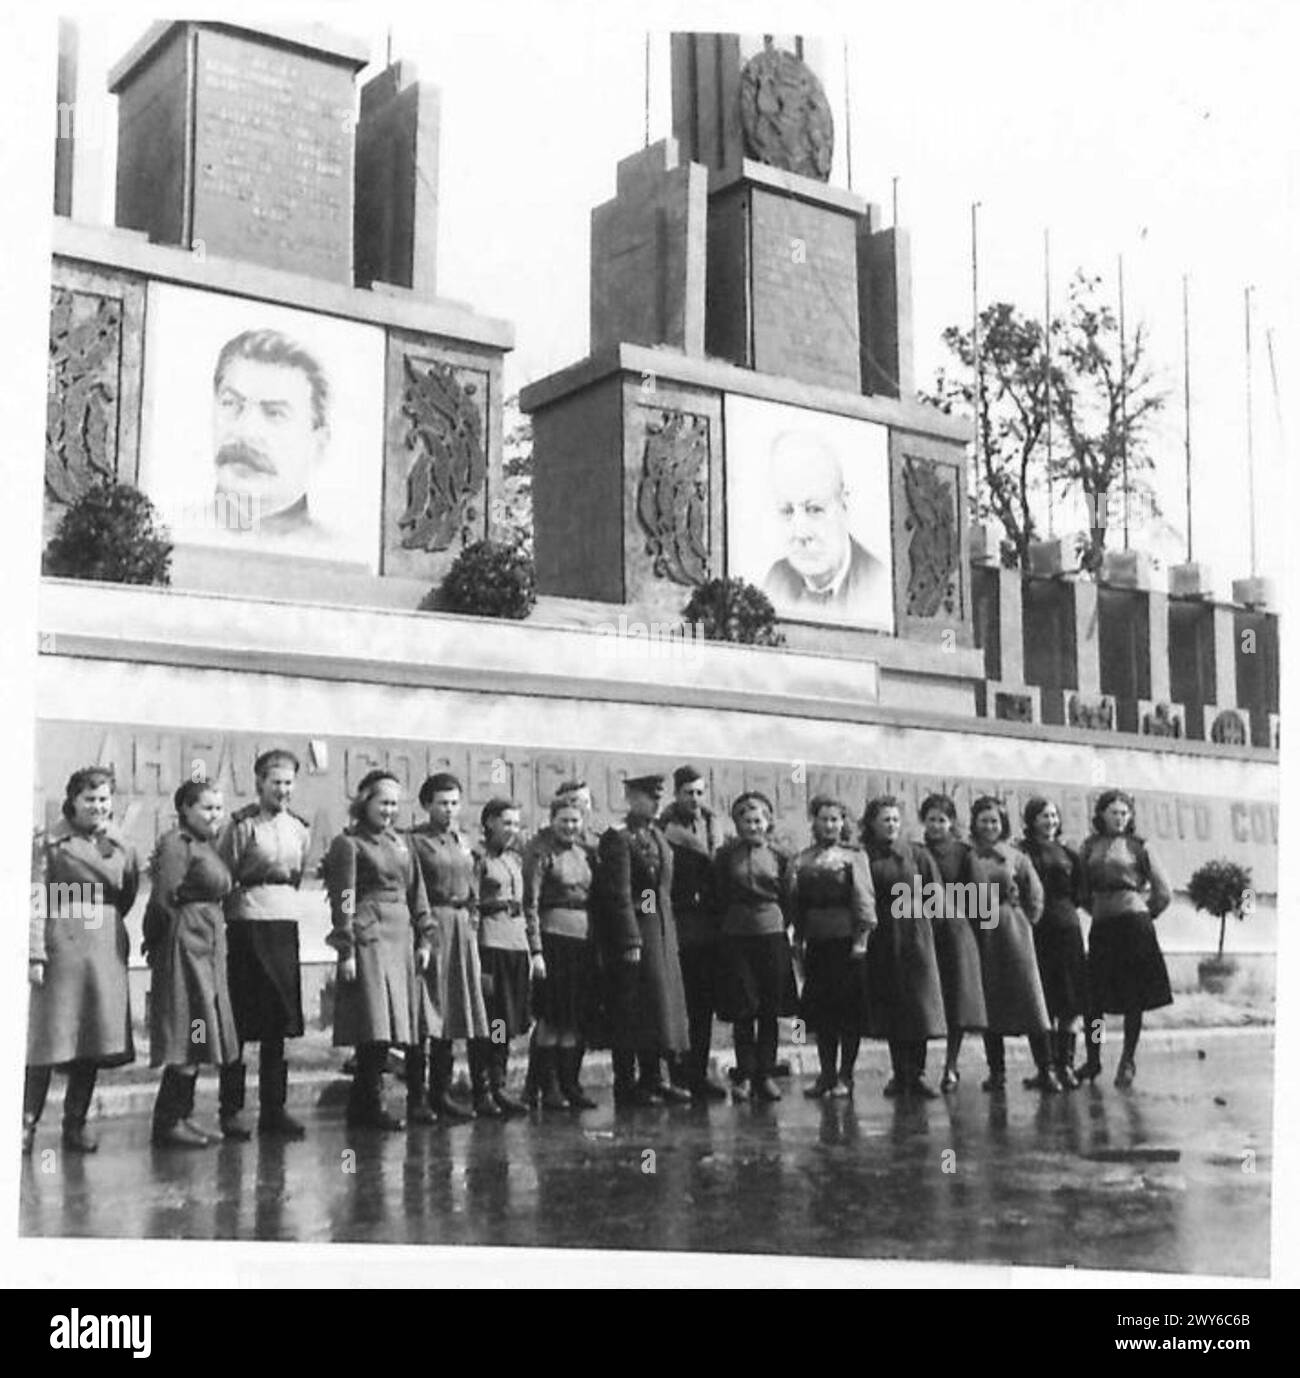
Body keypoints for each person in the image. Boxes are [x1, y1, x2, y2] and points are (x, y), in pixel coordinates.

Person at [24, 767, 141, 1156]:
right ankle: (25, 1123)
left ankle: (76, 1124)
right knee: (47, 1039)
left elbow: (126, 894)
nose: (98, 806)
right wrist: (34, 953)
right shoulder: (50, 844)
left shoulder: (120, 844)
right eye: (89, 799)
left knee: (93, 1037)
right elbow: (36, 899)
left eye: (104, 798)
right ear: (71, 801)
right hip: (63, 947)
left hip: (104, 948)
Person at [324, 770, 434, 1130]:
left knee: (397, 1024)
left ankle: (372, 1105)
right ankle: (368, 1104)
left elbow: (417, 891)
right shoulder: (349, 844)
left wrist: (425, 936)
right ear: (364, 802)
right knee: (374, 1024)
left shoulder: (402, 843)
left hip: (401, 935)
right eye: (382, 802)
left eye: (393, 804)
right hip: (369, 934)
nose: (389, 811)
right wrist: (347, 949)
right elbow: (344, 898)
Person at [216, 748, 310, 1141]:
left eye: (289, 782)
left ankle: (274, 1109)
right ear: (259, 784)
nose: (283, 790)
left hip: (283, 921)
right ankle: (231, 1109)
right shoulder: (241, 826)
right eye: (276, 783)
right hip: (248, 922)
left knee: (278, 1023)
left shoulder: (299, 828)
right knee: (240, 1019)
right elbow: (225, 873)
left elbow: (299, 873)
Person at [144, 779, 242, 1148]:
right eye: (206, 808)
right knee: (189, 1028)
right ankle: (167, 1120)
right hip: (184, 944)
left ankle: (183, 1114)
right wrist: (158, 944)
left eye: (219, 808)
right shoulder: (177, 844)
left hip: (207, 945)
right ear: (185, 809)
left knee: (201, 1028)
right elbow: (162, 900)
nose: (215, 815)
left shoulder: (207, 846)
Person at [594, 774, 691, 1108]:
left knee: (658, 1009)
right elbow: (619, 893)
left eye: (657, 797)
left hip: (660, 929)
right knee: (631, 1009)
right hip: (636, 932)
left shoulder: (655, 835)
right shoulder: (619, 837)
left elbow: (661, 889)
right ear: (631, 798)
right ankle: (627, 1081)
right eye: (648, 797)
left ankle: (654, 1077)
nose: (654, 802)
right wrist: (630, 937)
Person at [1074, 789, 1173, 1088]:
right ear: (1101, 815)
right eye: (1113, 812)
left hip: (1135, 929)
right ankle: (1093, 1059)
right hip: (1103, 929)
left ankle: (1128, 1059)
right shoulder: (1089, 847)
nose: (1119, 818)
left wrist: (1141, 914)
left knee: (1134, 998)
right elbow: (1080, 890)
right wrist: (1099, 911)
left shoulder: (1139, 846)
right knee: (1094, 1002)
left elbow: (1163, 892)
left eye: (1124, 813)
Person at [407, 773, 485, 1121]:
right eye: (442, 803)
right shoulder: (415, 842)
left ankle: (441, 1093)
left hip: (460, 927)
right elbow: (415, 890)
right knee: (428, 1014)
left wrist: (473, 921)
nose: (449, 810)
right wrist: (423, 935)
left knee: (454, 1011)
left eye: (455, 802)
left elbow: (474, 884)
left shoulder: (462, 841)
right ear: (427, 805)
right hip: (433, 925)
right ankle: (417, 1096)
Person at [712, 791, 799, 1102]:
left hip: (771, 933)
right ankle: (745, 1074)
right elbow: (718, 895)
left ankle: (765, 1074)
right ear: (737, 824)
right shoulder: (725, 857)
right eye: (746, 821)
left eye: (758, 820)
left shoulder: (781, 856)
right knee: (743, 1008)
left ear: (768, 822)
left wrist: (777, 922)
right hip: (736, 936)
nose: (752, 826)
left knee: (769, 1008)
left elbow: (789, 898)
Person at [966, 796, 1057, 1093]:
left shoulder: (1016, 856)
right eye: (984, 821)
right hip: (982, 931)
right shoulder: (969, 856)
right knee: (990, 1002)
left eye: (994, 821)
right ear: (975, 824)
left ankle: (1046, 1068)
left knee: (1030, 998)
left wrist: (1023, 921)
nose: (989, 827)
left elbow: (1035, 895)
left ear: (1003, 824)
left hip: (1012, 930)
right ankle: (997, 1072)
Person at [209, 328, 333, 544]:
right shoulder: (170, 531)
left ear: (318, 446)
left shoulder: (335, 551)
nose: (246, 431)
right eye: (231, 404)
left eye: (275, 413)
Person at [859, 795, 947, 1098]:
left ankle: (919, 1073)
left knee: (919, 1004)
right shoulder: (865, 856)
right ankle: (900, 1073)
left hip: (916, 933)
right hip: (883, 935)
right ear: (872, 824)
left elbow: (935, 895)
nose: (892, 825)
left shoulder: (917, 855)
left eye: (896, 819)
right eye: (885, 820)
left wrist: (928, 928)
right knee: (893, 1004)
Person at [521, 779, 599, 1106]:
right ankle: (546, 1085)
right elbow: (530, 903)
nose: (570, 826)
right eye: (563, 820)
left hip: (582, 942)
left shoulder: (586, 852)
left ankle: (571, 1083)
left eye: (575, 820)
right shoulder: (540, 851)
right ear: (552, 821)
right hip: (553, 940)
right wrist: (536, 949)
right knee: (551, 1017)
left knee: (574, 1017)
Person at [791, 795, 875, 1098]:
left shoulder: (854, 857)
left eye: (835, 819)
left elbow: (864, 900)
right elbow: (797, 904)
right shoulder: (803, 859)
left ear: (843, 823)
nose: (829, 825)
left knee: (847, 1013)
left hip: (846, 942)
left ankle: (846, 1076)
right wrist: (798, 939)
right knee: (822, 1014)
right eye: (824, 819)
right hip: (817, 942)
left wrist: (861, 940)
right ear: (814, 822)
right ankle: (826, 1074)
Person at [761, 430, 889, 622]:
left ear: (844, 505)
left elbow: (947, 645)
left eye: (814, 510)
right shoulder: (775, 581)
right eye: (787, 511)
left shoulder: (880, 585)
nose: (801, 533)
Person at [659, 765, 730, 1101]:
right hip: (679, 927)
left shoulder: (713, 826)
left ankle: (699, 1073)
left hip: (710, 931)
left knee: (703, 1008)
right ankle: (678, 1075)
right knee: (679, 1006)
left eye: (700, 792)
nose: (695, 799)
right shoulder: (664, 829)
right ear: (677, 794)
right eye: (689, 792)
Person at [1018, 796, 1089, 1089]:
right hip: (1036, 930)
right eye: (1043, 816)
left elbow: (1079, 892)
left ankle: (1067, 1066)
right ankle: (1045, 1068)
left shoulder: (1069, 855)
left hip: (1067, 927)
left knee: (1070, 1002)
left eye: (1053, 816)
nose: (1050, 822)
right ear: (1032, 821)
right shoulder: (1022, 852)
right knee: (1041, 1001)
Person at [919, 794, 988, 1091]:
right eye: (931, 819)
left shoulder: (963, 854)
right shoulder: (914, 852)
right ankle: (913, 1070)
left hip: (955, 932)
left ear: (952, 823)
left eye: (942, 820)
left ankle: (950, 1065)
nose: (936, 826)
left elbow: (979, 898)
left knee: (955, 1000)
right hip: (922, 931)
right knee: (923, 999)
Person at [473, 798, 534, 1117]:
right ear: (489, 823)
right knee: (492, 1018)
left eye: (515, 824)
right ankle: (482, 1087)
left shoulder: (514, 859)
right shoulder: (478, 858)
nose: (511, 830)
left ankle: (500, 1084)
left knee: (507, 1020)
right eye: (505, 823)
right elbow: (471, 905)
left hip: (515, 944)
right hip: (490, 944)